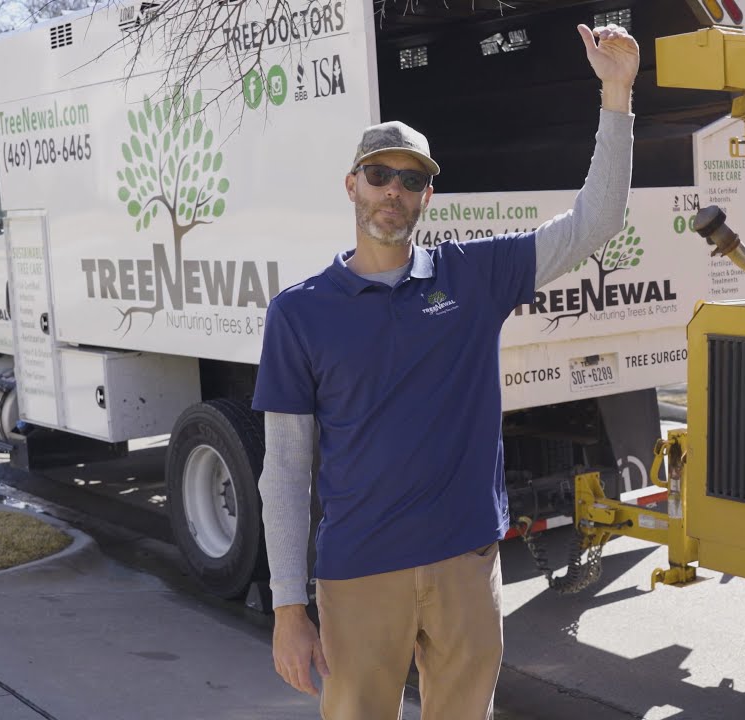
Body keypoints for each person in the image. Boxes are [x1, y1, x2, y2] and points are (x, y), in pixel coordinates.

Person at [251, 23, 639, 720]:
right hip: (359, 577)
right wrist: (287, 608)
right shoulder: (299, 313)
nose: (393, 192)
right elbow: (284, 470)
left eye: (411, 179)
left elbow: (595, 222)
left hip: (466, 567)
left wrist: (616, 94)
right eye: (379, 175)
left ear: (428, 196)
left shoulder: (473, 275)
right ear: (352, 185)